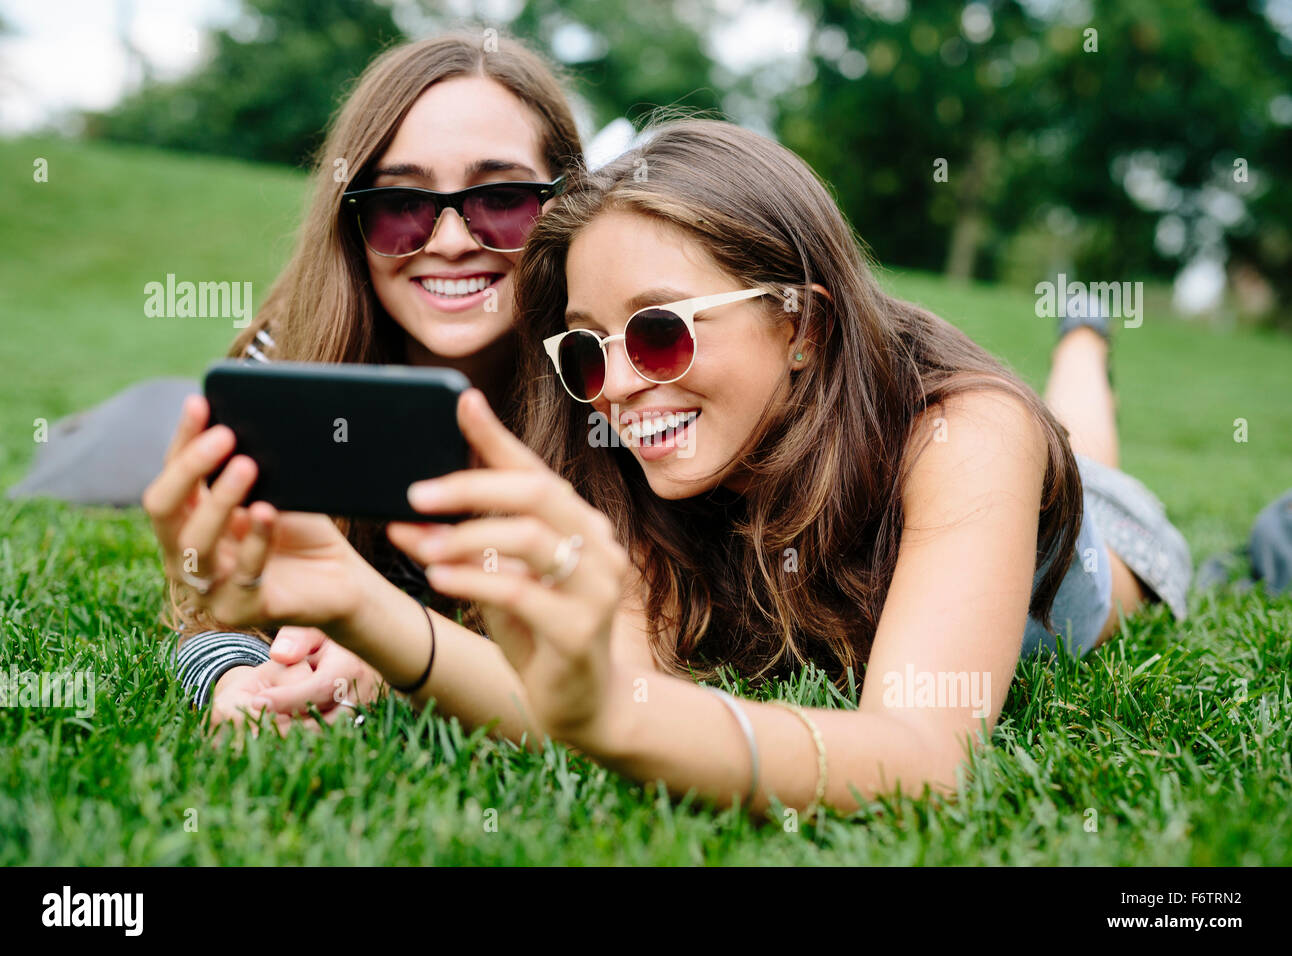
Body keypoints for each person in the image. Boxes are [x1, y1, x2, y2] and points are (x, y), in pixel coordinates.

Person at [178, 119, 1192, 816]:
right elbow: (601, 689)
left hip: (1097, 547)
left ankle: (1082, 338)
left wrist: (618, 715)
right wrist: (371, 615)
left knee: (1075, 441)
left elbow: (922, 758)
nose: (614, 385)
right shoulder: (618, 453)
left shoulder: (962, 434)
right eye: (585, 347)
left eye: (659, 333)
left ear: (799, 321)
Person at [142, 31, 582, 732]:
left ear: (564, 205)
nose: (449, 241)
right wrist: (238, 677)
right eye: (400, 205)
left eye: (502, 198)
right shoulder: (286, 363)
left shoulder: (606, 371)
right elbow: (214, 608)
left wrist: (399, 655)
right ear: (353, 220)